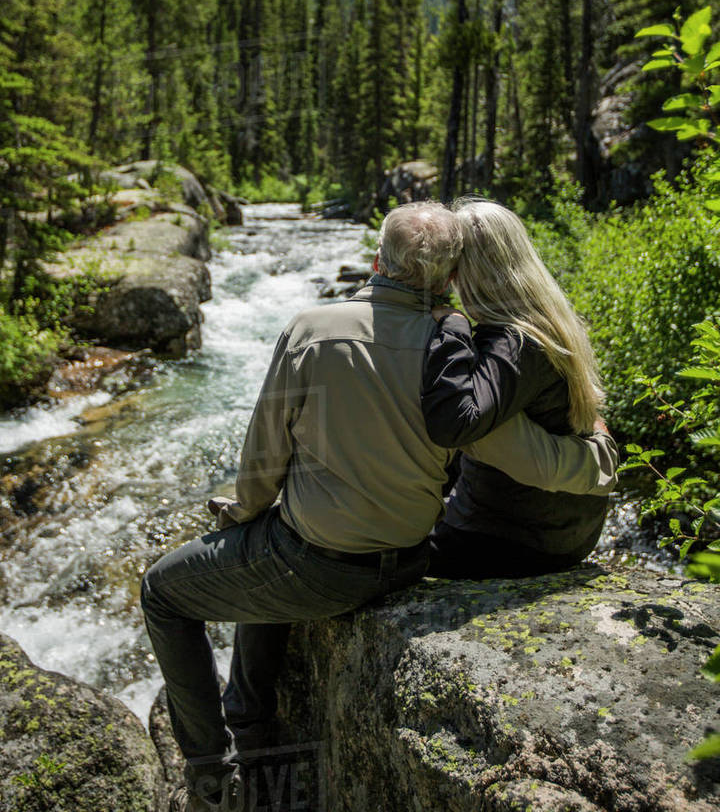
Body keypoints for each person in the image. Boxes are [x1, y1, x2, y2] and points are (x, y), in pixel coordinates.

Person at [141, 201, 614, 812]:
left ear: (376, 259)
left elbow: (261, 467)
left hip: (337, 565)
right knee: (266, 550)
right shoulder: (455, 348)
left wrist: (244, 510)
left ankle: (211, 774)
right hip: (413, 556)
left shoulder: (315, 329)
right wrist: (601, 454)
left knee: (169, 587)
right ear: (447, 279)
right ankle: (250, 727)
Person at [422, 196, 617, 579]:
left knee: (361, 556)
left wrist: (449, 328)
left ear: (466, 269)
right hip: (569, 530)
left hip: (511, 539)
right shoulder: (548, 322)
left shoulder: (512, 343)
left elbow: (455, 423)